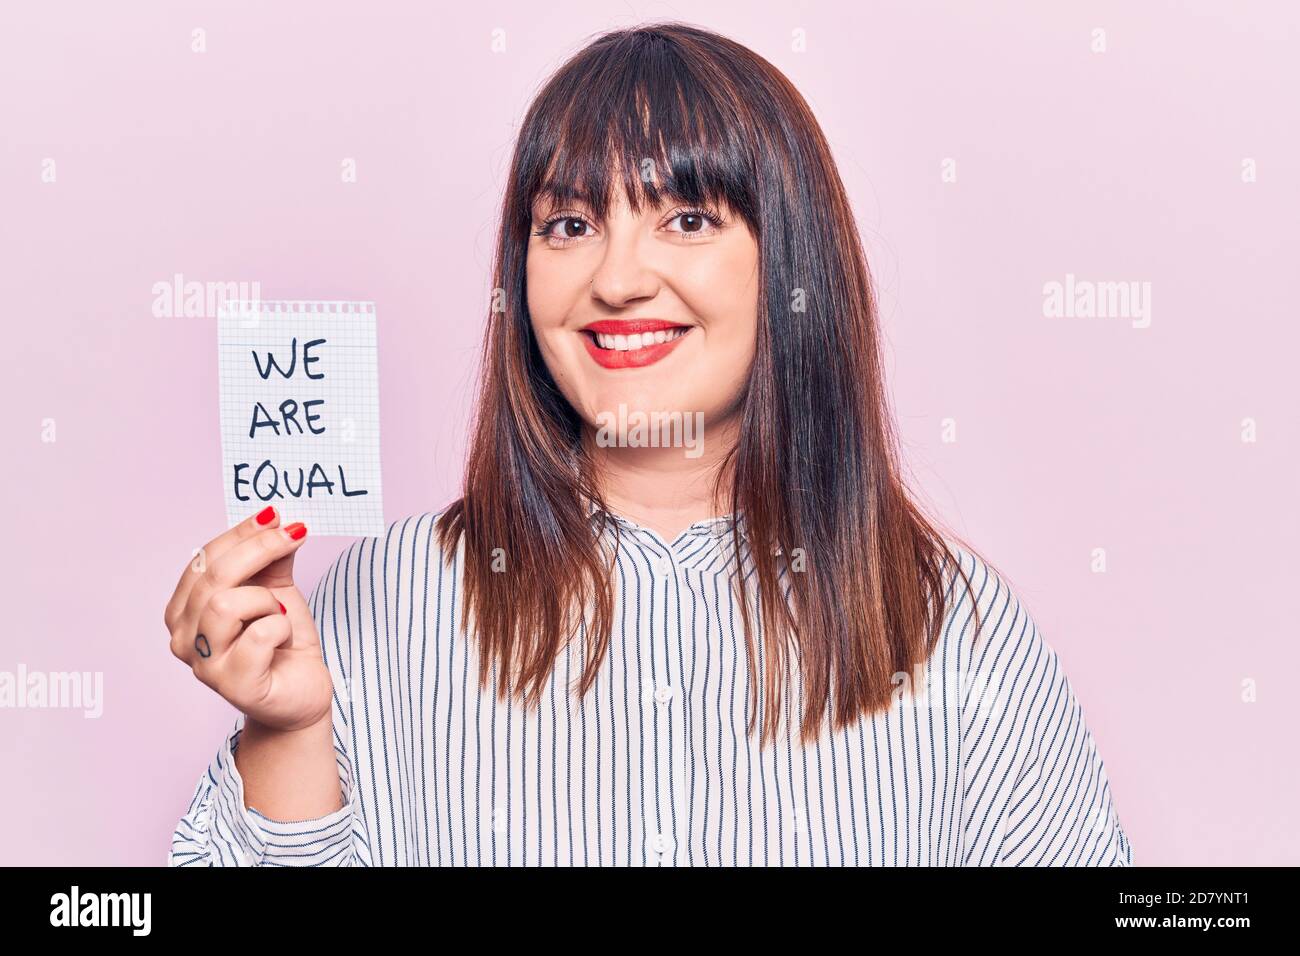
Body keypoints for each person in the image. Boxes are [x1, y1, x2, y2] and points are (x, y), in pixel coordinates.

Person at [166, 22, 1132, 867]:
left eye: (687, 217)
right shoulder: (382, 604)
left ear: (791, 259)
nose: (618, 278)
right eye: (572, 224)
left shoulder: (950, 625)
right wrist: (286, 732)